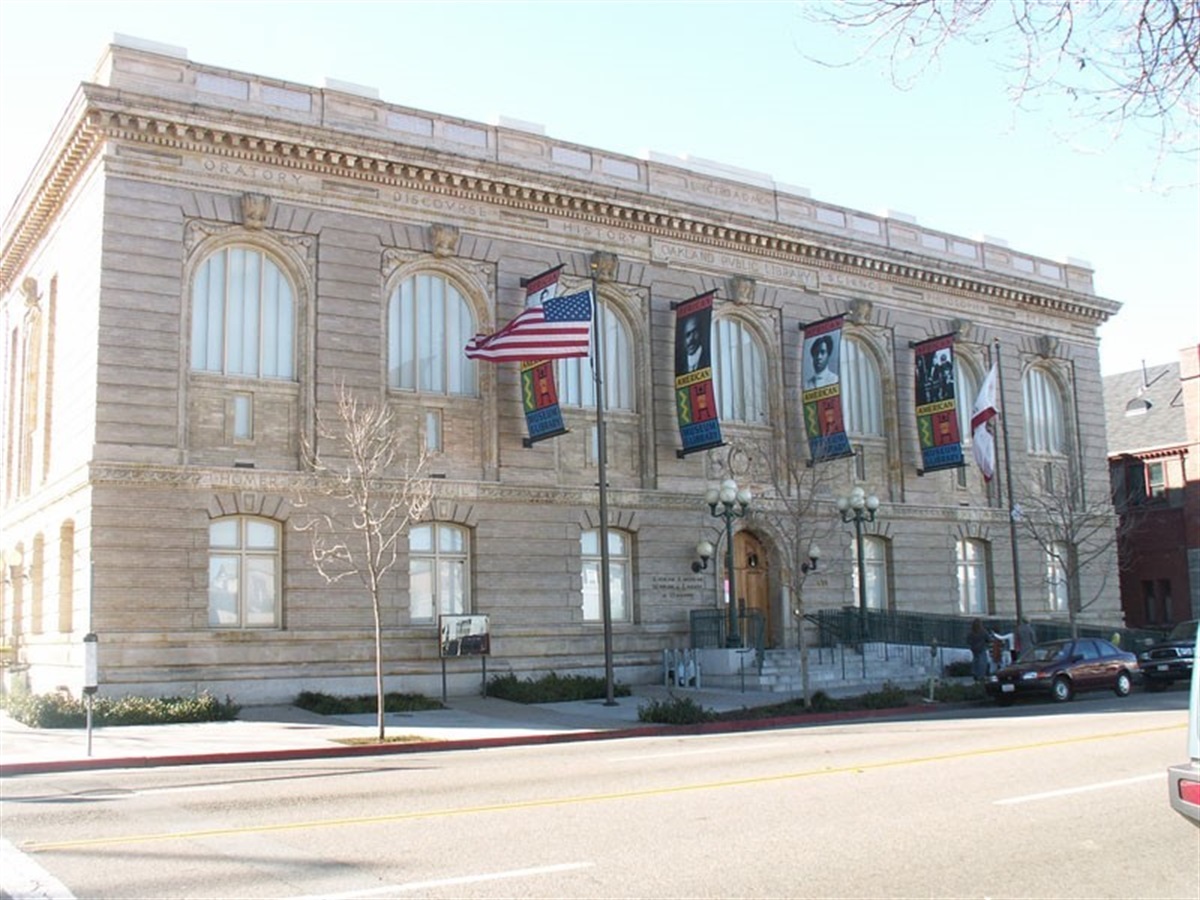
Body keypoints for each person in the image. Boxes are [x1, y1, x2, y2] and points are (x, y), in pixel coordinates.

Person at [967, 618, 991, 682]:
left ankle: (975, 673)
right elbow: (988, 639)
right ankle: (981, 675)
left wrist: (972, 645)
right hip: (982, 648)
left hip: (974, 649)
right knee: (982, 662)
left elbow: (968, 641)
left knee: (975, 661)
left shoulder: (971, 632)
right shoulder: (983, 631)